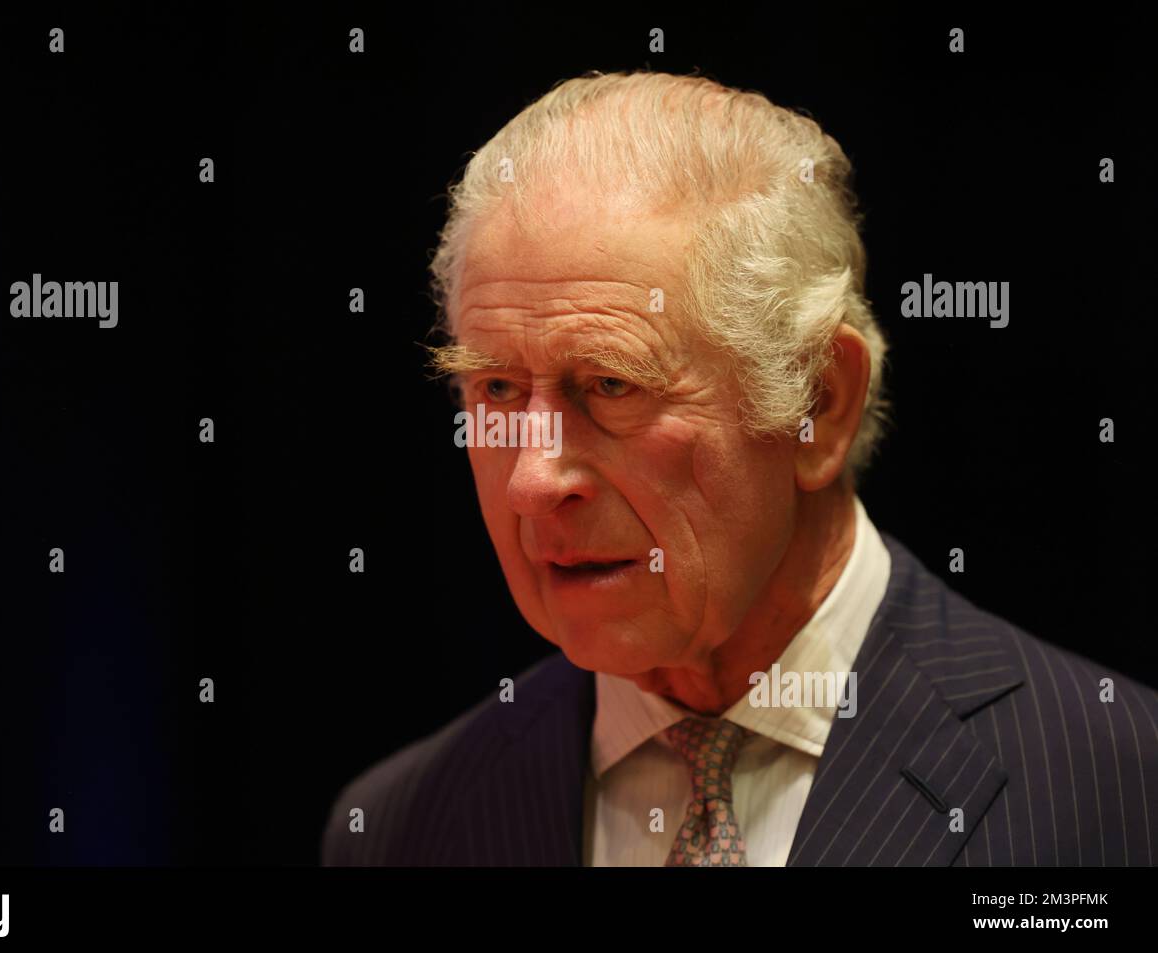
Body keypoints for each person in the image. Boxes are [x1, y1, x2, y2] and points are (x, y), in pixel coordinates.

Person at [321, 70, 1157, 866]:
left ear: (818, 403)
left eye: (612, 384)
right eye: (497, 387)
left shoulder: (1118, 785)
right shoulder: (399, 825)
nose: (531, 480)